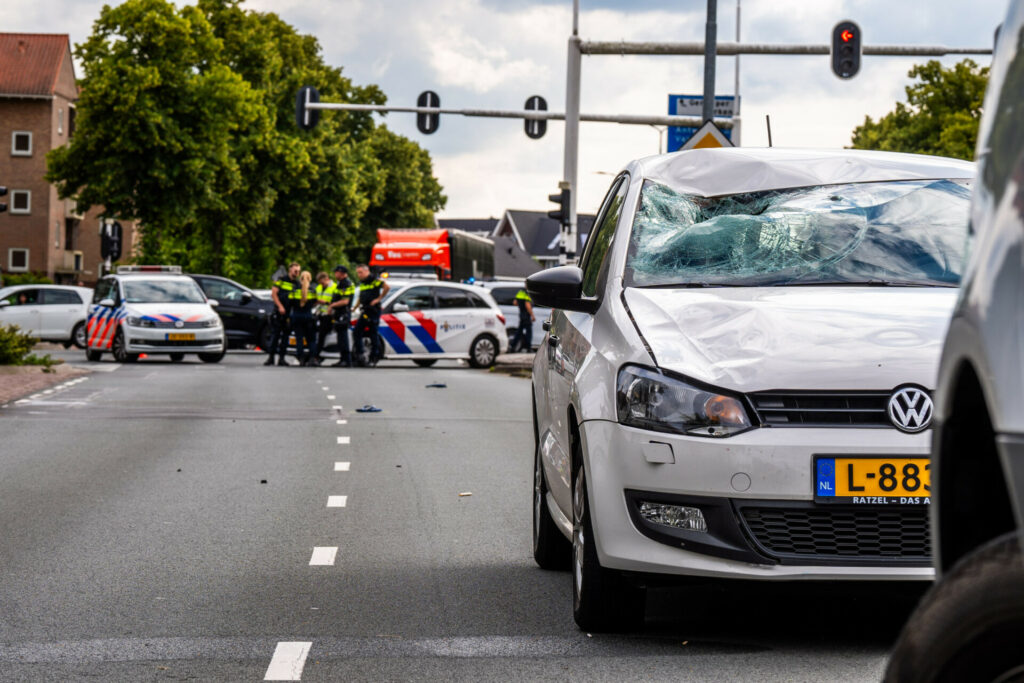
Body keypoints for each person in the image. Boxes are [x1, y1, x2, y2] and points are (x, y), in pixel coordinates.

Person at [352, 264, 389, 366]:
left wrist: (378, 299)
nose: (359, 275)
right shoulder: (363, 283)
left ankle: (374, 358)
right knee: (357, 332)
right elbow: (361, 296)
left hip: (373, 311)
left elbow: (387, 287)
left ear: (366, 271)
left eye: (360, 272)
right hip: (365, 310)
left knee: (373, 334)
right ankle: (360, 355)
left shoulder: (374, 280)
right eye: (358, 273)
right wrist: (355, 307)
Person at [265, 262, 299, 366]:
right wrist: (280, 306)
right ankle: (271, 358)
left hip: (289, 313)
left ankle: (282, 358)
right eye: (295, 271)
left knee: (285, 337)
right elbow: (274, 294)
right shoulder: (281, 280)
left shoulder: (297, 284)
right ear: (290, 270)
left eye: (298, 271)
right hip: (279, 312)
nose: (297, 273)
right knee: (275, 336)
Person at [328, 265, 356, 367]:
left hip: (343, 313)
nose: (335, 274)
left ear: (342, 273)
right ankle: (342, 359)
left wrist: (332, 305)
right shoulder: (341, 284)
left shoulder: (346, 284)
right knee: (340, 338)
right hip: (340, 313)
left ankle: (346, 360)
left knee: (343, 338)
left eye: (337, 272)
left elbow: (345, 301)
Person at [289, 270, 317, 366]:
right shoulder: (313, 291)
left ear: (300, 279)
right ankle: (312, 358)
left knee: (299, 339)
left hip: (297, 316)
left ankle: (300, 358)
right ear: (310, 279)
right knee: (311, 339)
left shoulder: (295, 290)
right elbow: (315, 302)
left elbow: (290, 302)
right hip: (308, 316)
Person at [312, 271, 336, 363]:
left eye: (322, 282)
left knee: (322, 335)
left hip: (329, 315)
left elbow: (336, 302)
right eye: (320, 283)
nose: (321, 285)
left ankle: (317, 356)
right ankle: (315, 354)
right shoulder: (318, 288)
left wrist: (325, 302)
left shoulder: (334, 287)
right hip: (319, 314)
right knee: (317, 335)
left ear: (327, 279)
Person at [509, 287, 535, 352]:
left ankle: (512, 346)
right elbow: (527, 305)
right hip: (526, 316)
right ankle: (528, 348)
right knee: (529, 332)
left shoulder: (520, 292)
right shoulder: (528, 292)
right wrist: (532, 316)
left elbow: (515, 302)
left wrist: (521, 306)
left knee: (519, 332)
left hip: (521, 315)